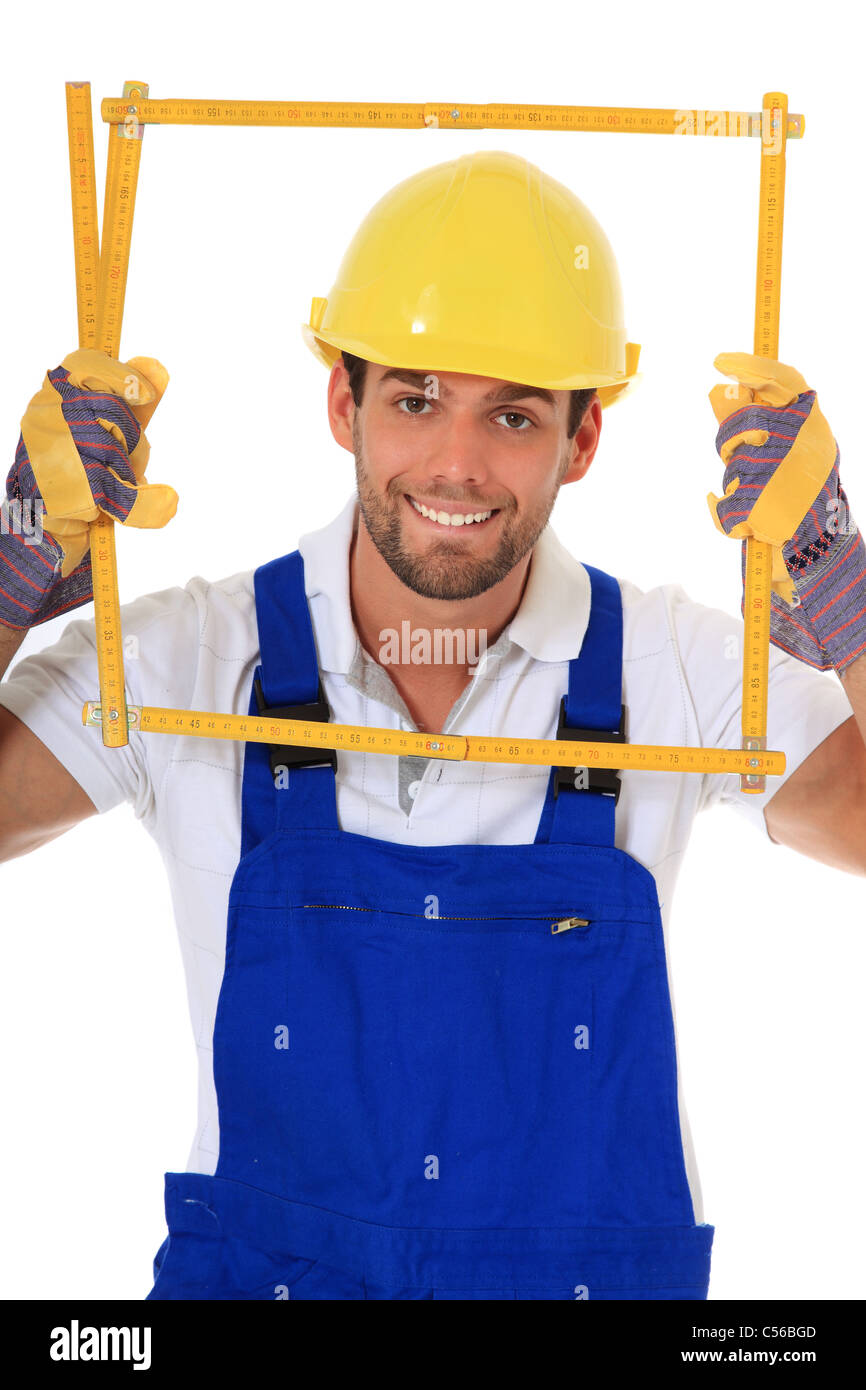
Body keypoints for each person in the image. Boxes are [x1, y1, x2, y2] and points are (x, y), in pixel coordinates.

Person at [0, 150, 863, 1301]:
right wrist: (13, 564)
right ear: (340, 404)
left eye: (511, 414)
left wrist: (838, 584)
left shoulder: (677, 671)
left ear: (583, 440)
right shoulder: (185, 660)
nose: (456, 465)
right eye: (413, 399)